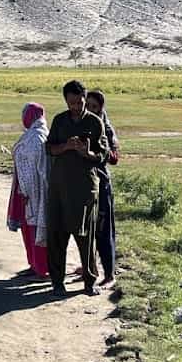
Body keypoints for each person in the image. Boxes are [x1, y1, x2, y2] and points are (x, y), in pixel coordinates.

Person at [45, 80, 109, 296]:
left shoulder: (95, 122)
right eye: (71, 103)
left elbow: (103, 154)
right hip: (59, 188)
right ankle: (57, 283)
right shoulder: (59, 121)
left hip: (84, 189)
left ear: (84, 98)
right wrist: (66, 146)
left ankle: (89, 282)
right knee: (57, 236)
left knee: (86, 238)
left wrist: (86, 153)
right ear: (66, 100)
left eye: (80, 102)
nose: (76, 106)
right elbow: (49, 148)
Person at [8, 103, 50, 278]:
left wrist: (27, 192)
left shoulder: (37, 138)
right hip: (28, 192)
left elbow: (35, 169)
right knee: (29, 230)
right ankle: (33, 264)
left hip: (35, 192)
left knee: (38, 230)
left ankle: (42, 268)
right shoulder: (33, 135)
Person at [89, 89, 120, 284]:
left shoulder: (106, 129)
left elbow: (115, 158)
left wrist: (101, 151)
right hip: (84, 183)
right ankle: (90, 266)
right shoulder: (81, 124)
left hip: (101, 183)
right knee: (87, 229)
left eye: (94, 106)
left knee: (103, 228)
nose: (90, 110)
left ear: (101, 108)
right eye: (88, 106)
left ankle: (109, 273)